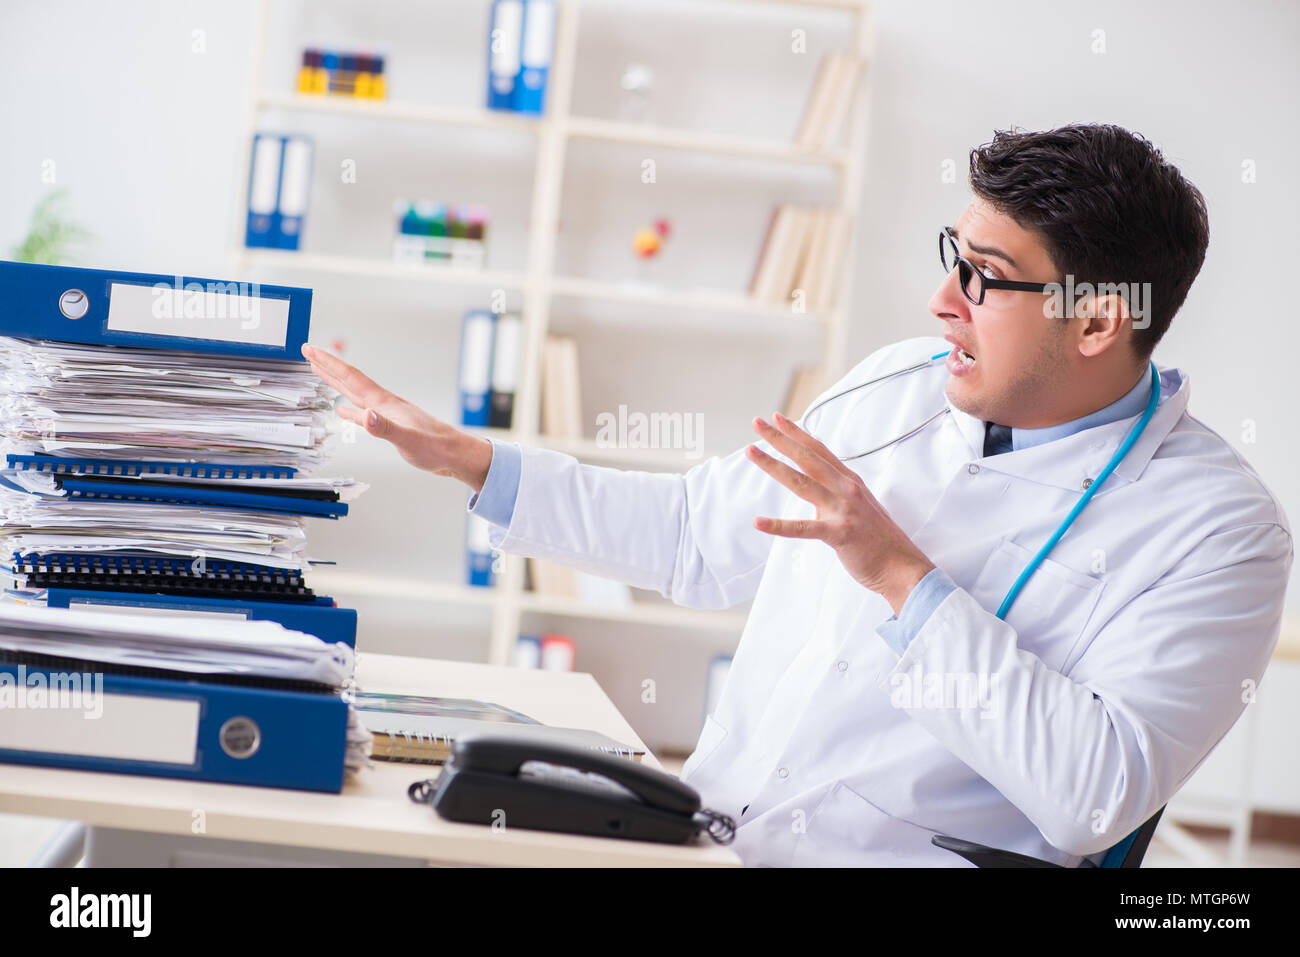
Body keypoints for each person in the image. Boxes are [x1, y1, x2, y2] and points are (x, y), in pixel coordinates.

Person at [303, 124, 1292, 866]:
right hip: (708, 839)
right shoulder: (896, 384)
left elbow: (1092, 792)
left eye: (985, 278)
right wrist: (471, 461)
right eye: (952, 259)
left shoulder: (1216, 530)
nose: (942, 301)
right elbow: (696, 539)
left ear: (1095, 324)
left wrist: (903, 576)